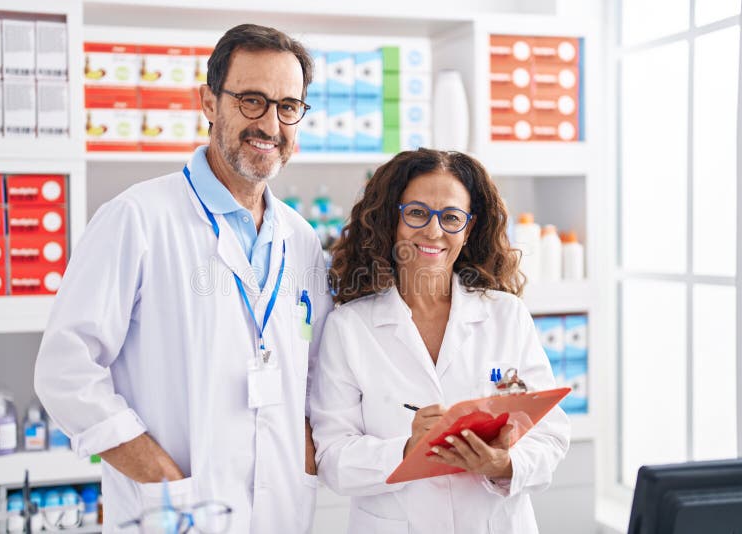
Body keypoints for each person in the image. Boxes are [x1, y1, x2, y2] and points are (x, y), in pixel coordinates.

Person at [35, 24, 332, 533]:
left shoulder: (301, 239)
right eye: (252, 100)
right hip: (172, 515)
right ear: (210, 103)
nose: (270, 123)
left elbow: (314, 375)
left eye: (288, 107)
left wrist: (302, 460)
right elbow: (64, 371)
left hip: (281, 514)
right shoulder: (136, 218)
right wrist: (162, 480)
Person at [310, 149, 570, 533]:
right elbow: (331, 457)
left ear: (468, 229)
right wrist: (405, 450)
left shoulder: (505, 315)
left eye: (450, 218)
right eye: (417, 213)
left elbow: (551, 432)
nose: (433, 231)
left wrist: (504, 464)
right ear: (392, 220)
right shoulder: (349, 328)